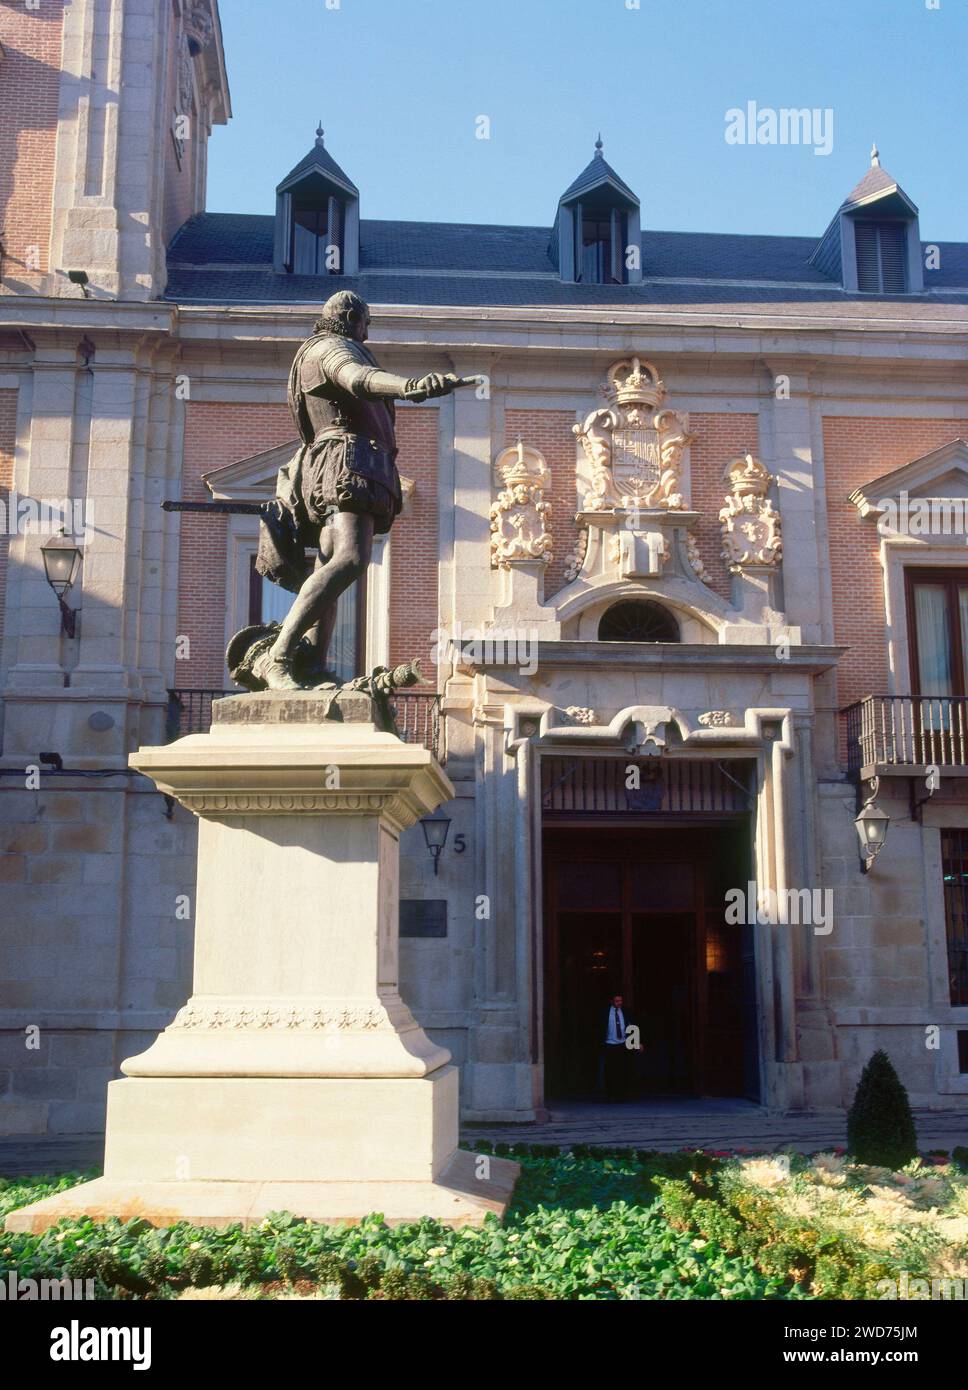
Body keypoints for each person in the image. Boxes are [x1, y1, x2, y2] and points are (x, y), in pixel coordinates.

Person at [253, 290, 461, 690]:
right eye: (367, 322)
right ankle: (277, 656)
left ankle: (311, 664)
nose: (368, 330)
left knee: (331, 563)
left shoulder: (322, 349)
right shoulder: (332, 348)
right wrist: (411, 386)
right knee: (351, 559)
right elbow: (358, 379)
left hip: (348, 462)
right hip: (347, 462)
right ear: (351, 317)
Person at [602, 992, 641, 1102]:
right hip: (610, 1044)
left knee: (623, 1070)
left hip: (623, 1044)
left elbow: (633, 1026)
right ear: (611, 1001)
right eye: (617, 1001)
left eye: (620, 1001)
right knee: (610, 1070)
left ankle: (622, 1095)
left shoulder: (626, 1011)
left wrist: (637, 1042)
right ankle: (610, 1095)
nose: (619, 1003)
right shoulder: (605, 1013)